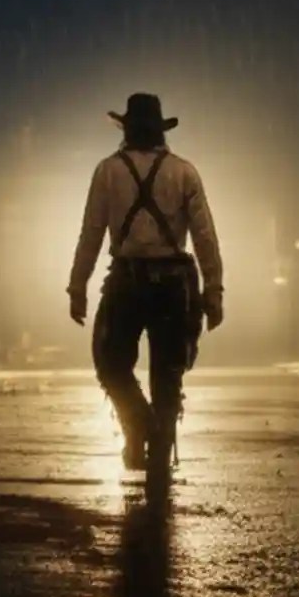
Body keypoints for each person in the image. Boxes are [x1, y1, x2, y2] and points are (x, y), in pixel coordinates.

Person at [67, 93, 224, 475]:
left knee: (111, 364)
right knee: (168, 373)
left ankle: (139, 426)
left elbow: (91, 233)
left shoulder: (107, 170)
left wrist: (78, 285)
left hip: (126, 282)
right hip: (174, 285)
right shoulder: (185, 172)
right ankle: (158, 444)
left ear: (126, 129)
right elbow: (205, 237)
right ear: (160, 132)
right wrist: (213, 291)